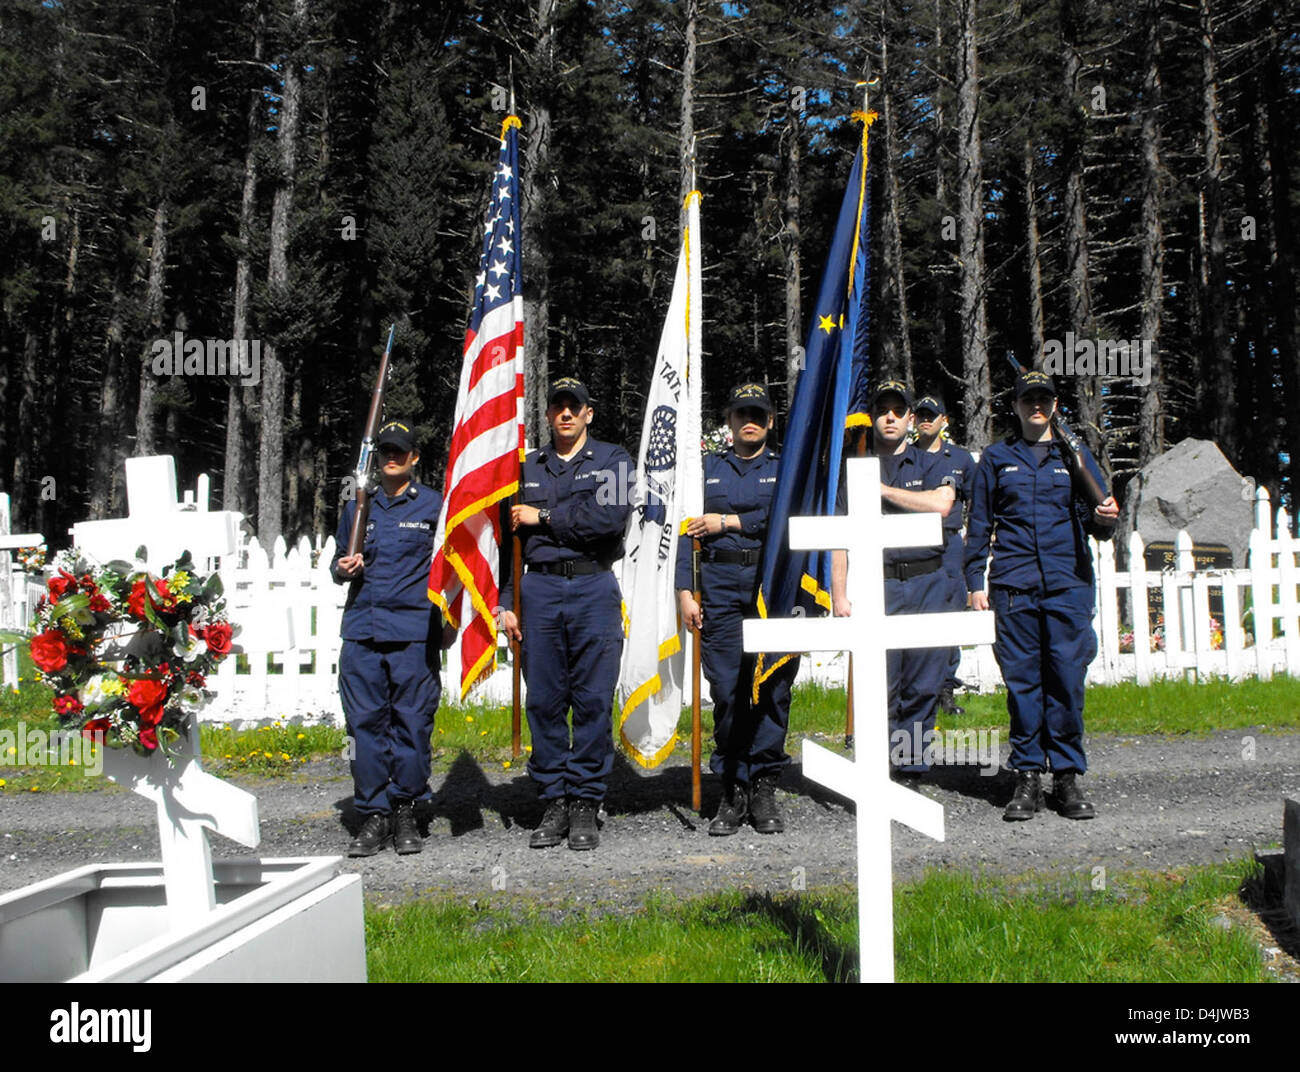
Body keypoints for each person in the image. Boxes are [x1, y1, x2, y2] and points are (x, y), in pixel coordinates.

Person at [964, 370, 1119, 820]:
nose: (1036, 406)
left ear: (1054, 405)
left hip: (1067, 584)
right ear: (1015, 406)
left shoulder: (1074, 455)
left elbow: (1099, 524)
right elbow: (979, 525)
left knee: (1066, 680)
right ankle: (1027, 774)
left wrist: (1106, 517)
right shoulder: (996, 458)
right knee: (1023, 684)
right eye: (1028, 399)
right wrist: (975, 581)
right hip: (1014, 586)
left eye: (1044, 399)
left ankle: (1067, 776)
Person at [497, 378, 632, 851]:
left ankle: (585, 802)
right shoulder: (525, 467)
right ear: (549, 414)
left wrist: (546, 518)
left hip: (593, 586)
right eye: (558, 406)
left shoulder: (614, 460)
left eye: (575, 406)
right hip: (540, 588)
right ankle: (554, 797)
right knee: (545, 699)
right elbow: (509, 541)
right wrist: (507, 601)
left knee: (593, 698)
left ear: (589, 414)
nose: (566, 414)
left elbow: (609, 521)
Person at [676, 382, 797, 836]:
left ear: (769, 422)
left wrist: (729, 522)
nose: (749, 420)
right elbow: (685, 533)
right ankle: (733, 785)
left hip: (772, 589)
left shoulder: (786, 468)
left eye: (758, 414)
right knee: (727, 691)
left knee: (772, 688)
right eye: (741, 412)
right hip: (720, 588)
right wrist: (686, 592)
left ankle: (764, 784)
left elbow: (786, 520)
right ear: (728, 421)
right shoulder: (703, 470)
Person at [831, 381, 957, 782]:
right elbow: (838, 535)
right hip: (876, 586)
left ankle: (911, 770)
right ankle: (877, 773)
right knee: (879, 684)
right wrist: (839, 593)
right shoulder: (851, 468)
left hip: (926, 583)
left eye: (898, 411)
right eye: (883, 410)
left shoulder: (930, 463)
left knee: (923, 684)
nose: (890, 417)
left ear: (909, 418)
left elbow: (941, 504)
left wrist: (882, 491)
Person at [331, 419, 446, 857]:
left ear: (414, 458)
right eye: (385, 452)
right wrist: (342, 569)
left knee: (412, 725)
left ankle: (406, 809)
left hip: (413, 634)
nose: (392, 458)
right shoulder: (358, 507)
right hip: (362, 633)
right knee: (362, 727)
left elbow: (452, 569)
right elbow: (338, 564)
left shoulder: (433, 507)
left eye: (400, 451)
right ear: (377, 459)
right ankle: (373, 812)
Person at [913, 395, 976, 716]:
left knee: (950, 615)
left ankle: (946, 690)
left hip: (949, 544)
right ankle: (918, 687)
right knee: (917, 614)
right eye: (921, 414)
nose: (926, 420)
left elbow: (977, 504)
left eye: (932, 415)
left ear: (944, 421)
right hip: (912, 546)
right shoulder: (905, 457)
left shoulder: (961, 459)